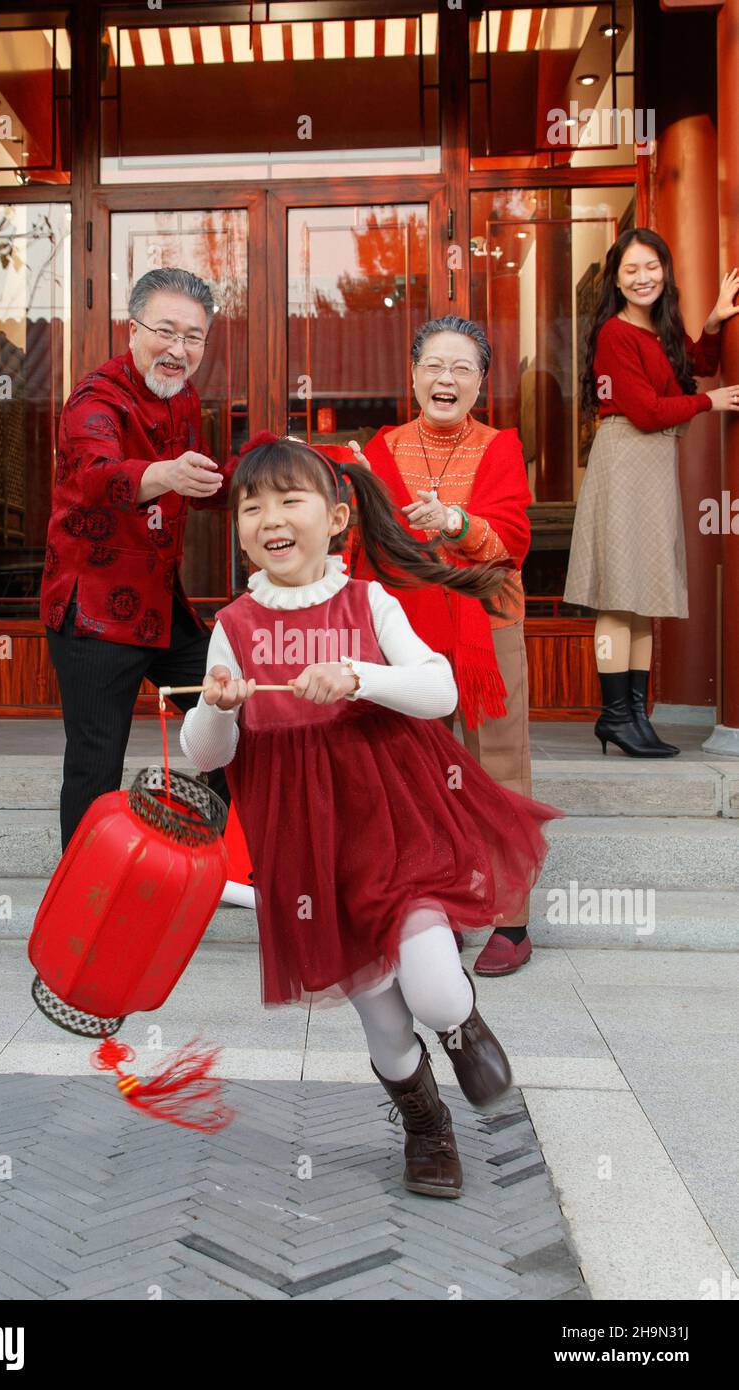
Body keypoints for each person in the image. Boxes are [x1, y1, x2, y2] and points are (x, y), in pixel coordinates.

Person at [180, 433, 562, 1199]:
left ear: (338, 516)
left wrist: (358, 675)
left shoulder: (369, 600)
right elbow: (204, 753)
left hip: (396, 827)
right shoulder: (235, 625)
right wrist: (219, 708)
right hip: (308, 854)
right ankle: (427, 1127)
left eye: (290, 500)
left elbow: (440, 690)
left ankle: (461, 1026)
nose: (269, 518)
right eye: (252, 507)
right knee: (385, 1029)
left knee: (434, 988)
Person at [347, 316, 535, 978]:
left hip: (488, 626)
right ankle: (439, 909)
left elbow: (510, 535)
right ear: (413, 374)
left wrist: (456, 521)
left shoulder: (501, 445)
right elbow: (365, 539)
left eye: (461, 368)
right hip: (412, 632)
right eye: (433, 365)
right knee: (419, 770)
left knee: (497, 768)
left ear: (481, 382)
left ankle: (511, 919)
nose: (445, 379)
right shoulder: (384, 446)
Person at [41, 267, 234, 851]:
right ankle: (83, 900)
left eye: (194, 337)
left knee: (232, 706)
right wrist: (167, 474)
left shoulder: (185, 399)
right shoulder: (94, 398)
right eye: (166, 331)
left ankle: (213, 848)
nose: (178, 351)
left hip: (159, 603)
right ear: (133, 329)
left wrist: (271, 474)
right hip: (94, 609)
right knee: (97, 763)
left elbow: (200, 483)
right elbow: (97, 476)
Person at [563, 230, 739, 756]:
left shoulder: (657, 328)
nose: (644, 278)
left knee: (639, 600)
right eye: (632, 270)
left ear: (665, 269)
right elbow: (644, 410)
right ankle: (615, 716)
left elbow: (694, 368)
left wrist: (710, 324)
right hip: (626, 458)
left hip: (653, 462)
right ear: (615, 278)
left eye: (652, 267)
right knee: (620, 598)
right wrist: (714, 404)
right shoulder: (616, 334)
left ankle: (633, 718)